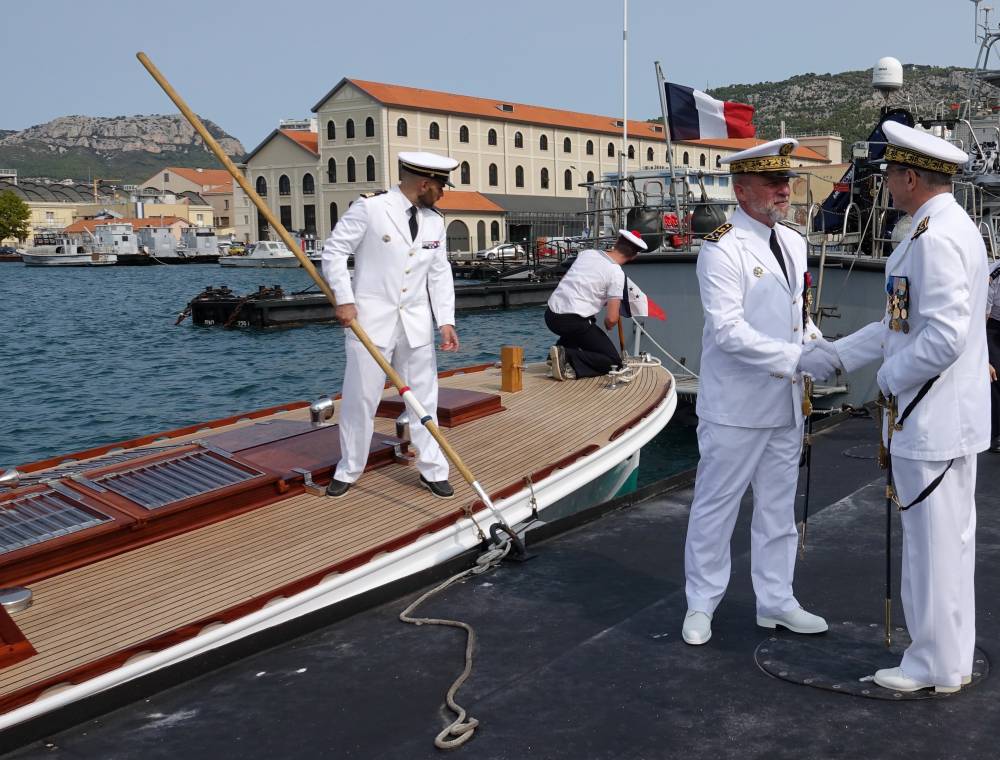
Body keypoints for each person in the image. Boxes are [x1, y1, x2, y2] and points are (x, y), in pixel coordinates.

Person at [816, 121, 988, 693]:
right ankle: (948, 659)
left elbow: (942, 337)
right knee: (947, 544)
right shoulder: (936, 227)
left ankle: (930, 666)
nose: (885, 184)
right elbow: (898, 323)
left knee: (933, 547)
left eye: (890, 173)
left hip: (931, 416)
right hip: (941, 417)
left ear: (912, 176)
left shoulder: (934, 238)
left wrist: (888, 379)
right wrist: (835, 356)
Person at [681, 138, 837, 646]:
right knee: (716, 507)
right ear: (740, 187)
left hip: (786, 403)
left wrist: (816, 344)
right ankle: (701, 604)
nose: (783, 191)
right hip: (736, 406)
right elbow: (727, 331)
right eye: (773, 183)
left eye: (786, 182)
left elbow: (798, 315)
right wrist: (797, 358)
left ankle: (777, 601)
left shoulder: (792, 241)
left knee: (777, 509)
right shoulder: (722, 246)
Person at [321, 151, 460, 500]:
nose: (443, 193)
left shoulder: (434, 222)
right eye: (441, 186)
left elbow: (439, 272)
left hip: (414, 323)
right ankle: (350, 468)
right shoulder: (371, 208)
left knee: (423, 400)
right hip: (370, 321)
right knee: (360, 400)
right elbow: (334, 251)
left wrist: (445, 320)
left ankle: (432, 469)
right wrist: (344, 299)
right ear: (425, 183)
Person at [545, 229, 647, 380]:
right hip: (572, 321)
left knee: (587, 322)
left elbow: (566, 280)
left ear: (617, 242)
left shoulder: (588, 254)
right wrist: (609, 325)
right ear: (633, 256)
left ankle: (559, 351)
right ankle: (566, 355)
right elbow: (612, 318)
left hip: (551, 315)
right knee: (613, 361)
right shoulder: (616, 274)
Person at [987, 258, 1000, 451]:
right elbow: (983, 316)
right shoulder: (994, 275)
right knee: (995, 375)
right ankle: (996, 434)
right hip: (994, 326)